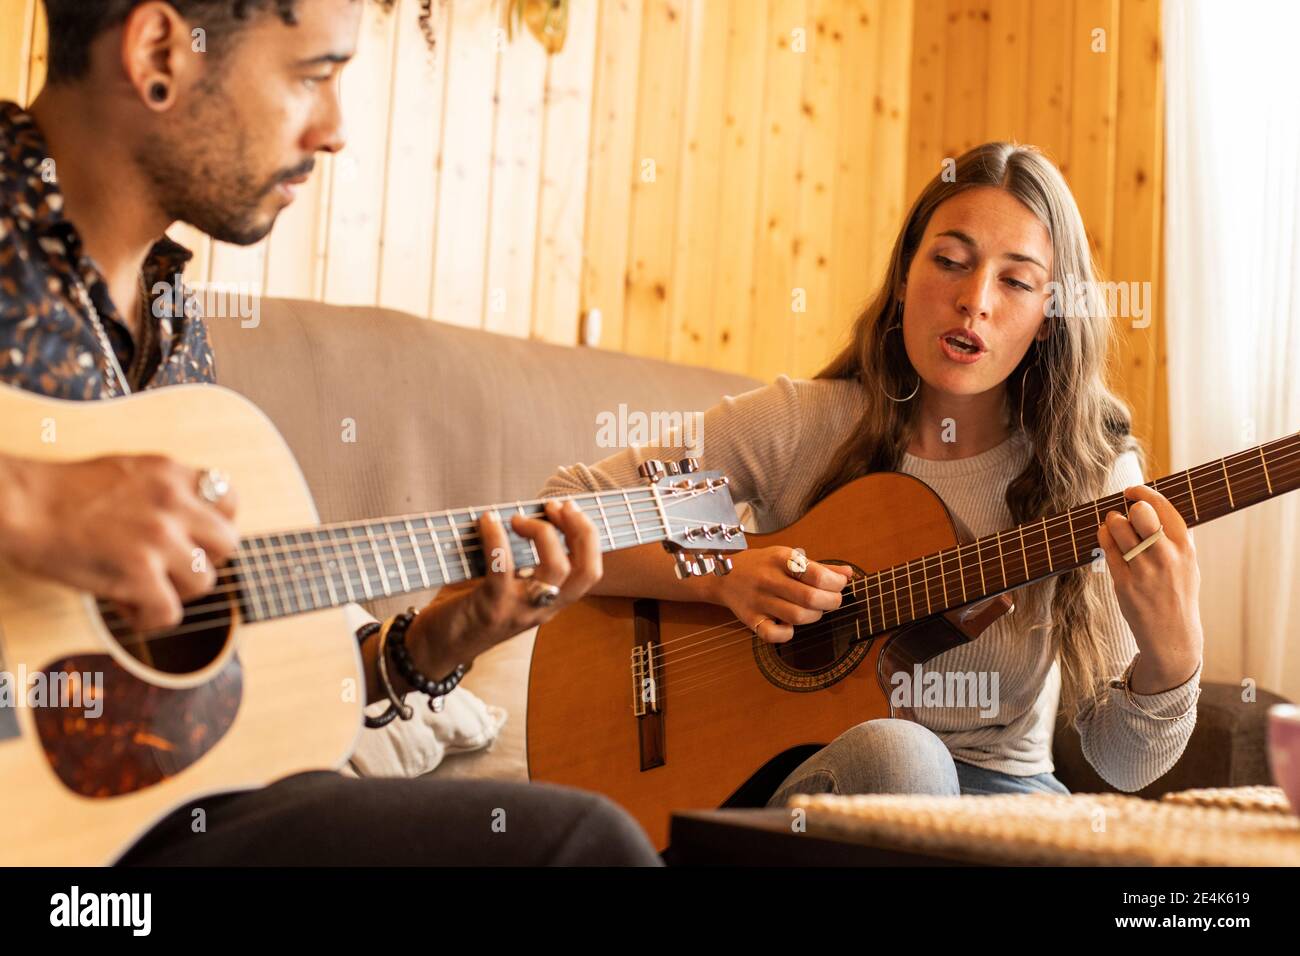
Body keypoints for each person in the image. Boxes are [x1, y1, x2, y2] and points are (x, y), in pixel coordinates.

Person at [0, 0, 659, 865]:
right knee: (581, 844)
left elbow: (230, 670)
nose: (338, 128)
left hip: (145, 828)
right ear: (161, 51)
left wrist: (433, 645)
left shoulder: (170, 322)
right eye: (314, 74)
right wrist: (31, 498)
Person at [542, 141, 1204, 804]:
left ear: (1051, 317)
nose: (974, 300)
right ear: (905, 275)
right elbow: (563, 512)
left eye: (1017, 281)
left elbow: (1123, 766)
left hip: (1006, 804)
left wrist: (1172, 651)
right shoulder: (803, 425)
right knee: (901, 755)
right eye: (950, 261)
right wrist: (722, 573)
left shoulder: (1093, 470)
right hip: (803, 789)